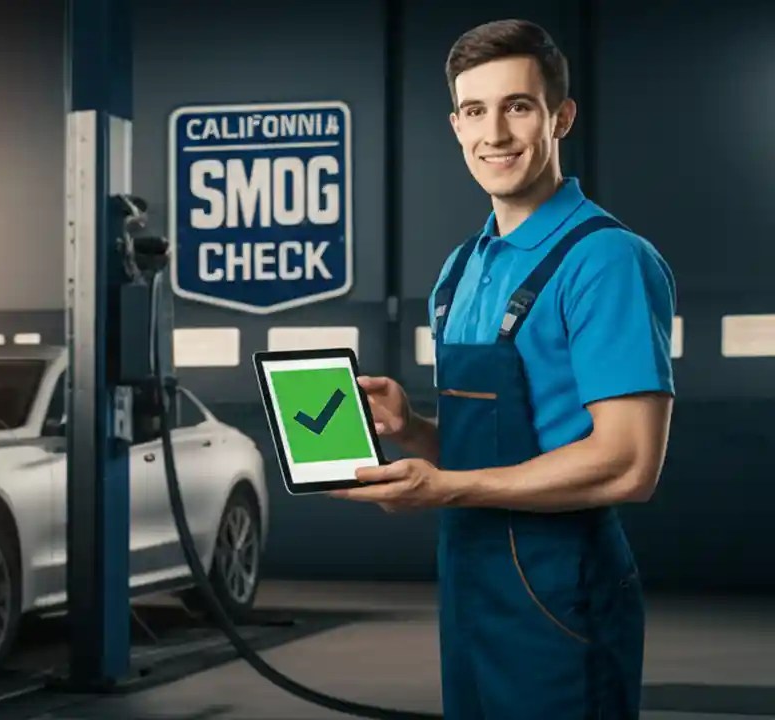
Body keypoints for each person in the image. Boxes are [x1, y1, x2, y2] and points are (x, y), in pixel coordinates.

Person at [333, 18, 675, 720]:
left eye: (518, 106)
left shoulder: (606, 259)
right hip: (468, 581)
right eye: (475, 110)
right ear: (456, 126)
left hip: (562, 591)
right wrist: (415, 431)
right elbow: (487, 447)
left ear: (561, 116)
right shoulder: (462, 268)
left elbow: (630, 463)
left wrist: (447, 486)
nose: (495, 133)